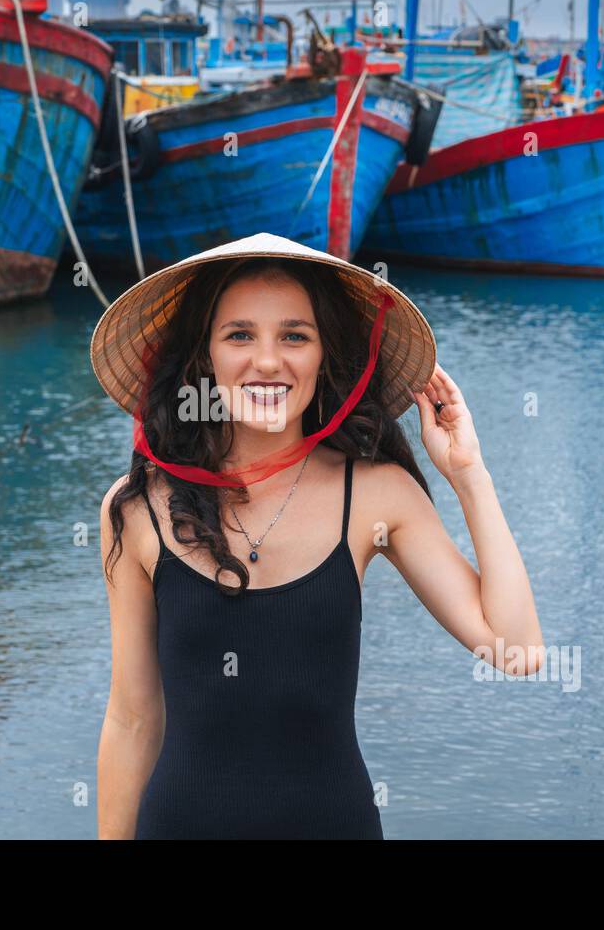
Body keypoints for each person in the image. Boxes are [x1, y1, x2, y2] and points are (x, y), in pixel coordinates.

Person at [94, 233, 541, 839]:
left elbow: (516, 651)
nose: (269, 361)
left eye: (295, 336)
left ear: (325, 356)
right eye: (240, 335)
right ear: (204, 358)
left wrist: (470, 475)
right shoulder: (138, 508)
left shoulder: (375, 496)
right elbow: (131, 718)